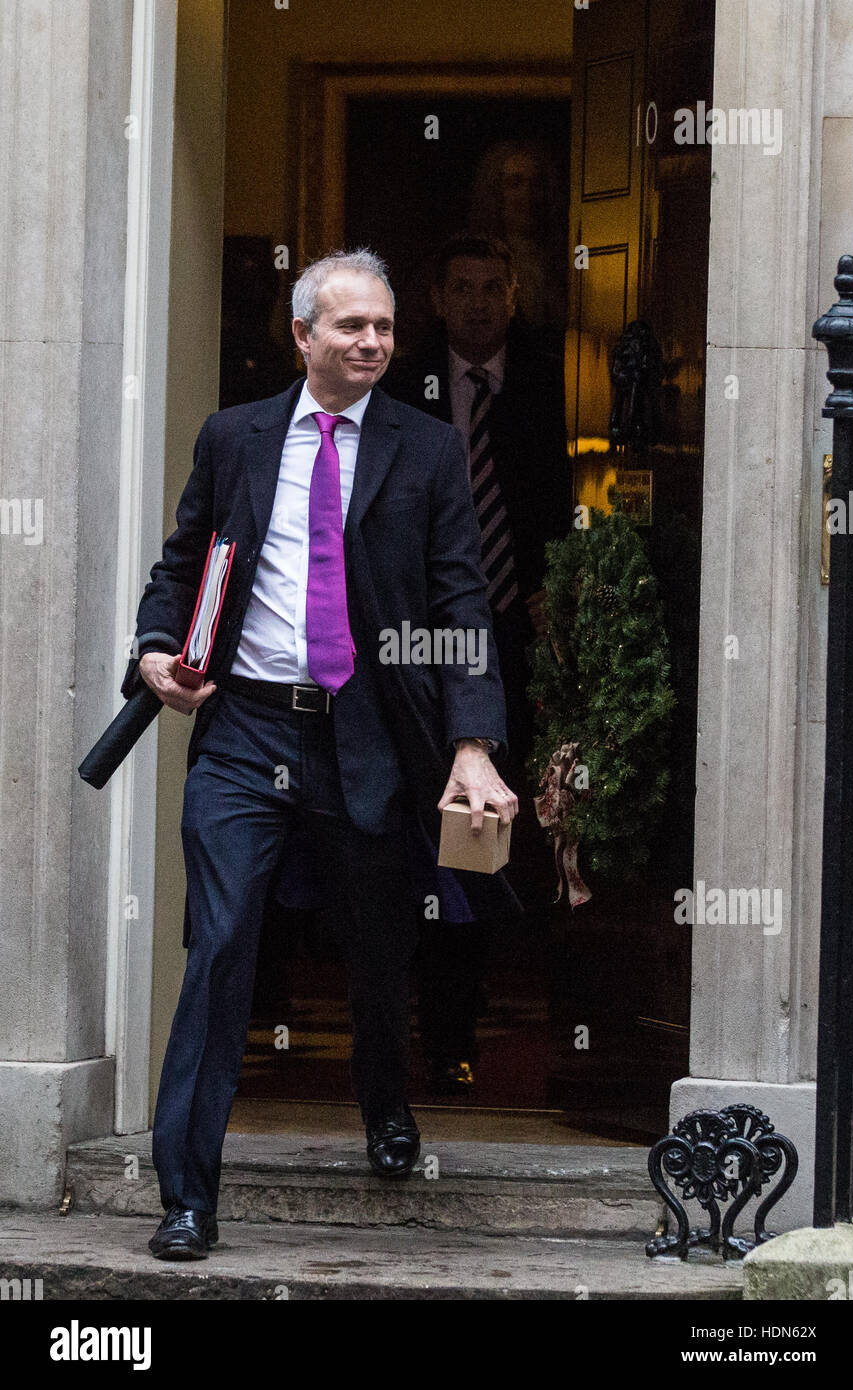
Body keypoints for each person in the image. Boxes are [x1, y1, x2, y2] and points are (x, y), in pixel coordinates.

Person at [120, 249, 519, 1260]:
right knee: (219, 945)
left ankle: (386, 1102)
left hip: (369, 731)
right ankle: (188, 1196)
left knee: (380, 946)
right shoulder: (236, 438)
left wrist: (471, 744)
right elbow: (182, 566)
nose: (373, 341)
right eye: (351, 326)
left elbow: (459, 602)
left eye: (382, 326)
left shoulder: (424, 451)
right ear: (302, 336)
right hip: (247, 730)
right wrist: (154, 650)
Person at [383, 233, 572, 1093]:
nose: (477, 304)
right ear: (435, 297)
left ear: (515, 295)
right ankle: (445, 1030)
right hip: (426, 645)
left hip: (524, 640)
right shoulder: (401, 379)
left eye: (493, 287)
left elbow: (559, 500)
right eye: (461, 288)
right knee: (444, 835)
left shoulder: (549, 374)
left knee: (522, 827)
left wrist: (552, 589)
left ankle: (561, 1023)